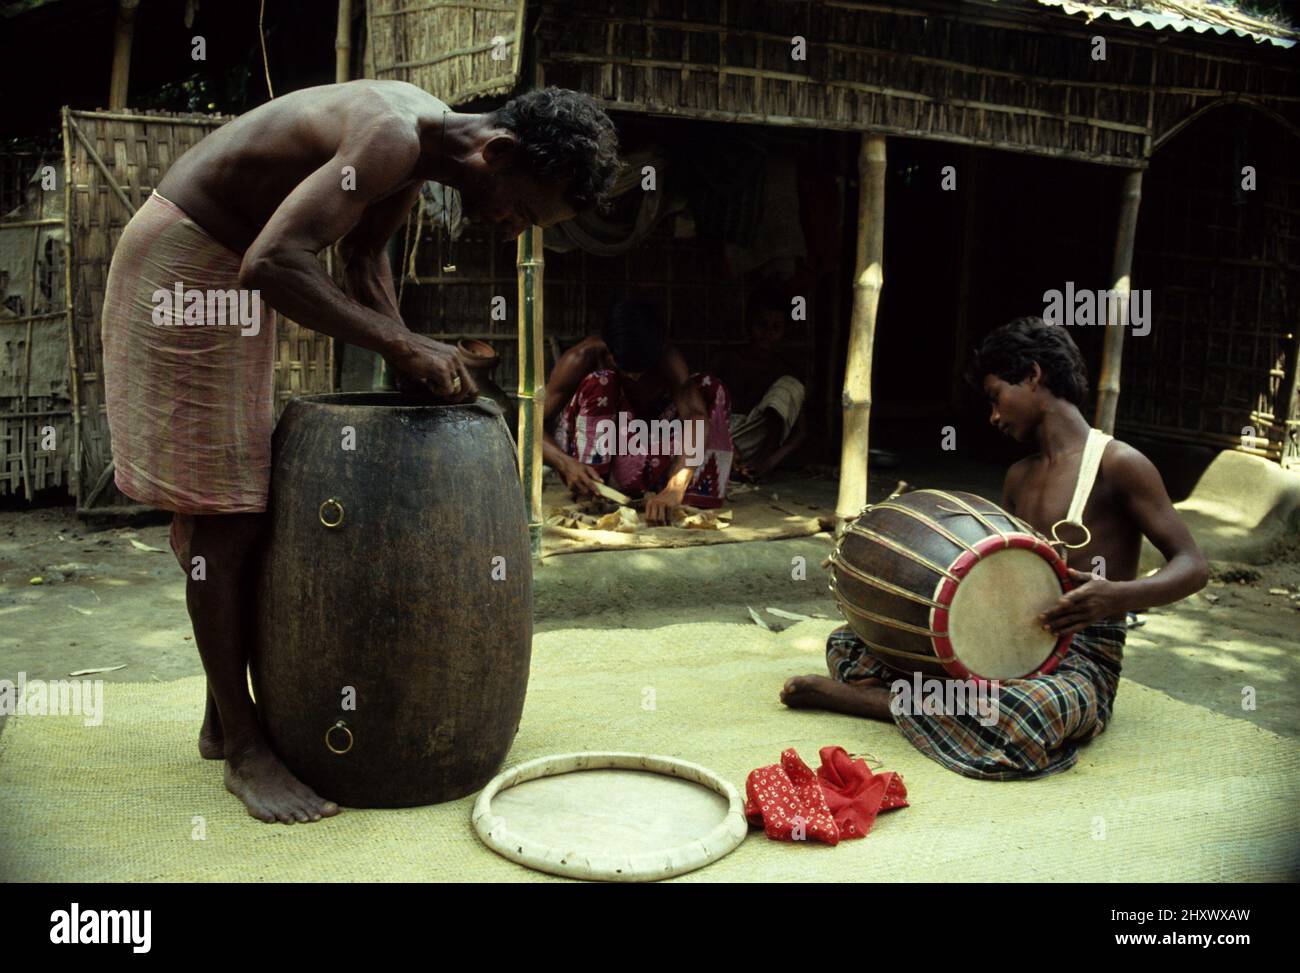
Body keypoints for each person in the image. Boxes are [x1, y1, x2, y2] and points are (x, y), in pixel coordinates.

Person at [100, 80, 619, 823]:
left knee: (243, 500)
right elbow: (274, 262)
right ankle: (245, 750)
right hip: (186, 269)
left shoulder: (421, 148)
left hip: (225, 264)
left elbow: (363, 261)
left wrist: (416, 367)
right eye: (524, 211)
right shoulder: (392, 138)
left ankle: (224, 716)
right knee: (227, 517)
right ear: (498, 152)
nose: (511, 230)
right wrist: (406, 344)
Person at [781, 316, 1209, 780]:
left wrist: (1115, 597)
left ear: (1032, 375)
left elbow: (1193, 566)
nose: (994, 416)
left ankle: (876, 702)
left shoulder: (1119, 463)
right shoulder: (1018, 477)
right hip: (1003, 646)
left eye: (995, 396)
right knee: (849, 642)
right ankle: (936, 704)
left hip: (1080, 657)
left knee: (1032, 714)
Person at [543, 299, 734, 524]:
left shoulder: (666, 359)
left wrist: (676, 486)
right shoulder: (580, 358)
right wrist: (564, 463)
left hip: (647, 456)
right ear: (608, 348)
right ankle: (595, 493)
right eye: (625, 369)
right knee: (600, 382)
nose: (635, 378)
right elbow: (529, 427)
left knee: (710, 388)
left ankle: (679, 496)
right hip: (595, 467)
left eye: (644, 369)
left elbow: (695, 417)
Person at [715, 290, 807, 480]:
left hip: (756, 447)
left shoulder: (783, 369)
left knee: (790, 386)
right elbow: (704, 407)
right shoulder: (729, 359)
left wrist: (769, 463)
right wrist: (724, 444)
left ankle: (753, 467)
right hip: (722, 437)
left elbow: (800, 432)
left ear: (784, 331)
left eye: (775, 328)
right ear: (749, 325)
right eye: (761, 325)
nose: (767, 334)